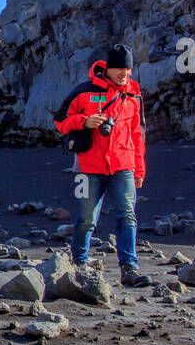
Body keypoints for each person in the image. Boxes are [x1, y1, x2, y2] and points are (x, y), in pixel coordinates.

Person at [53, 43, 153, 288]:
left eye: (128, 69)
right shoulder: (84, 92)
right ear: (107, 67)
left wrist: (139, 170)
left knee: (127, 217)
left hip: (124, 167)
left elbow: (138, 135)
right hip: (87, 167)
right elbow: (60, 121)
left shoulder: (133, 96)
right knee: (86, 218)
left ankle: (129, 269)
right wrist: (84, 121)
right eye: (119, 68)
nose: (124, 73)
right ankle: (78, 266)